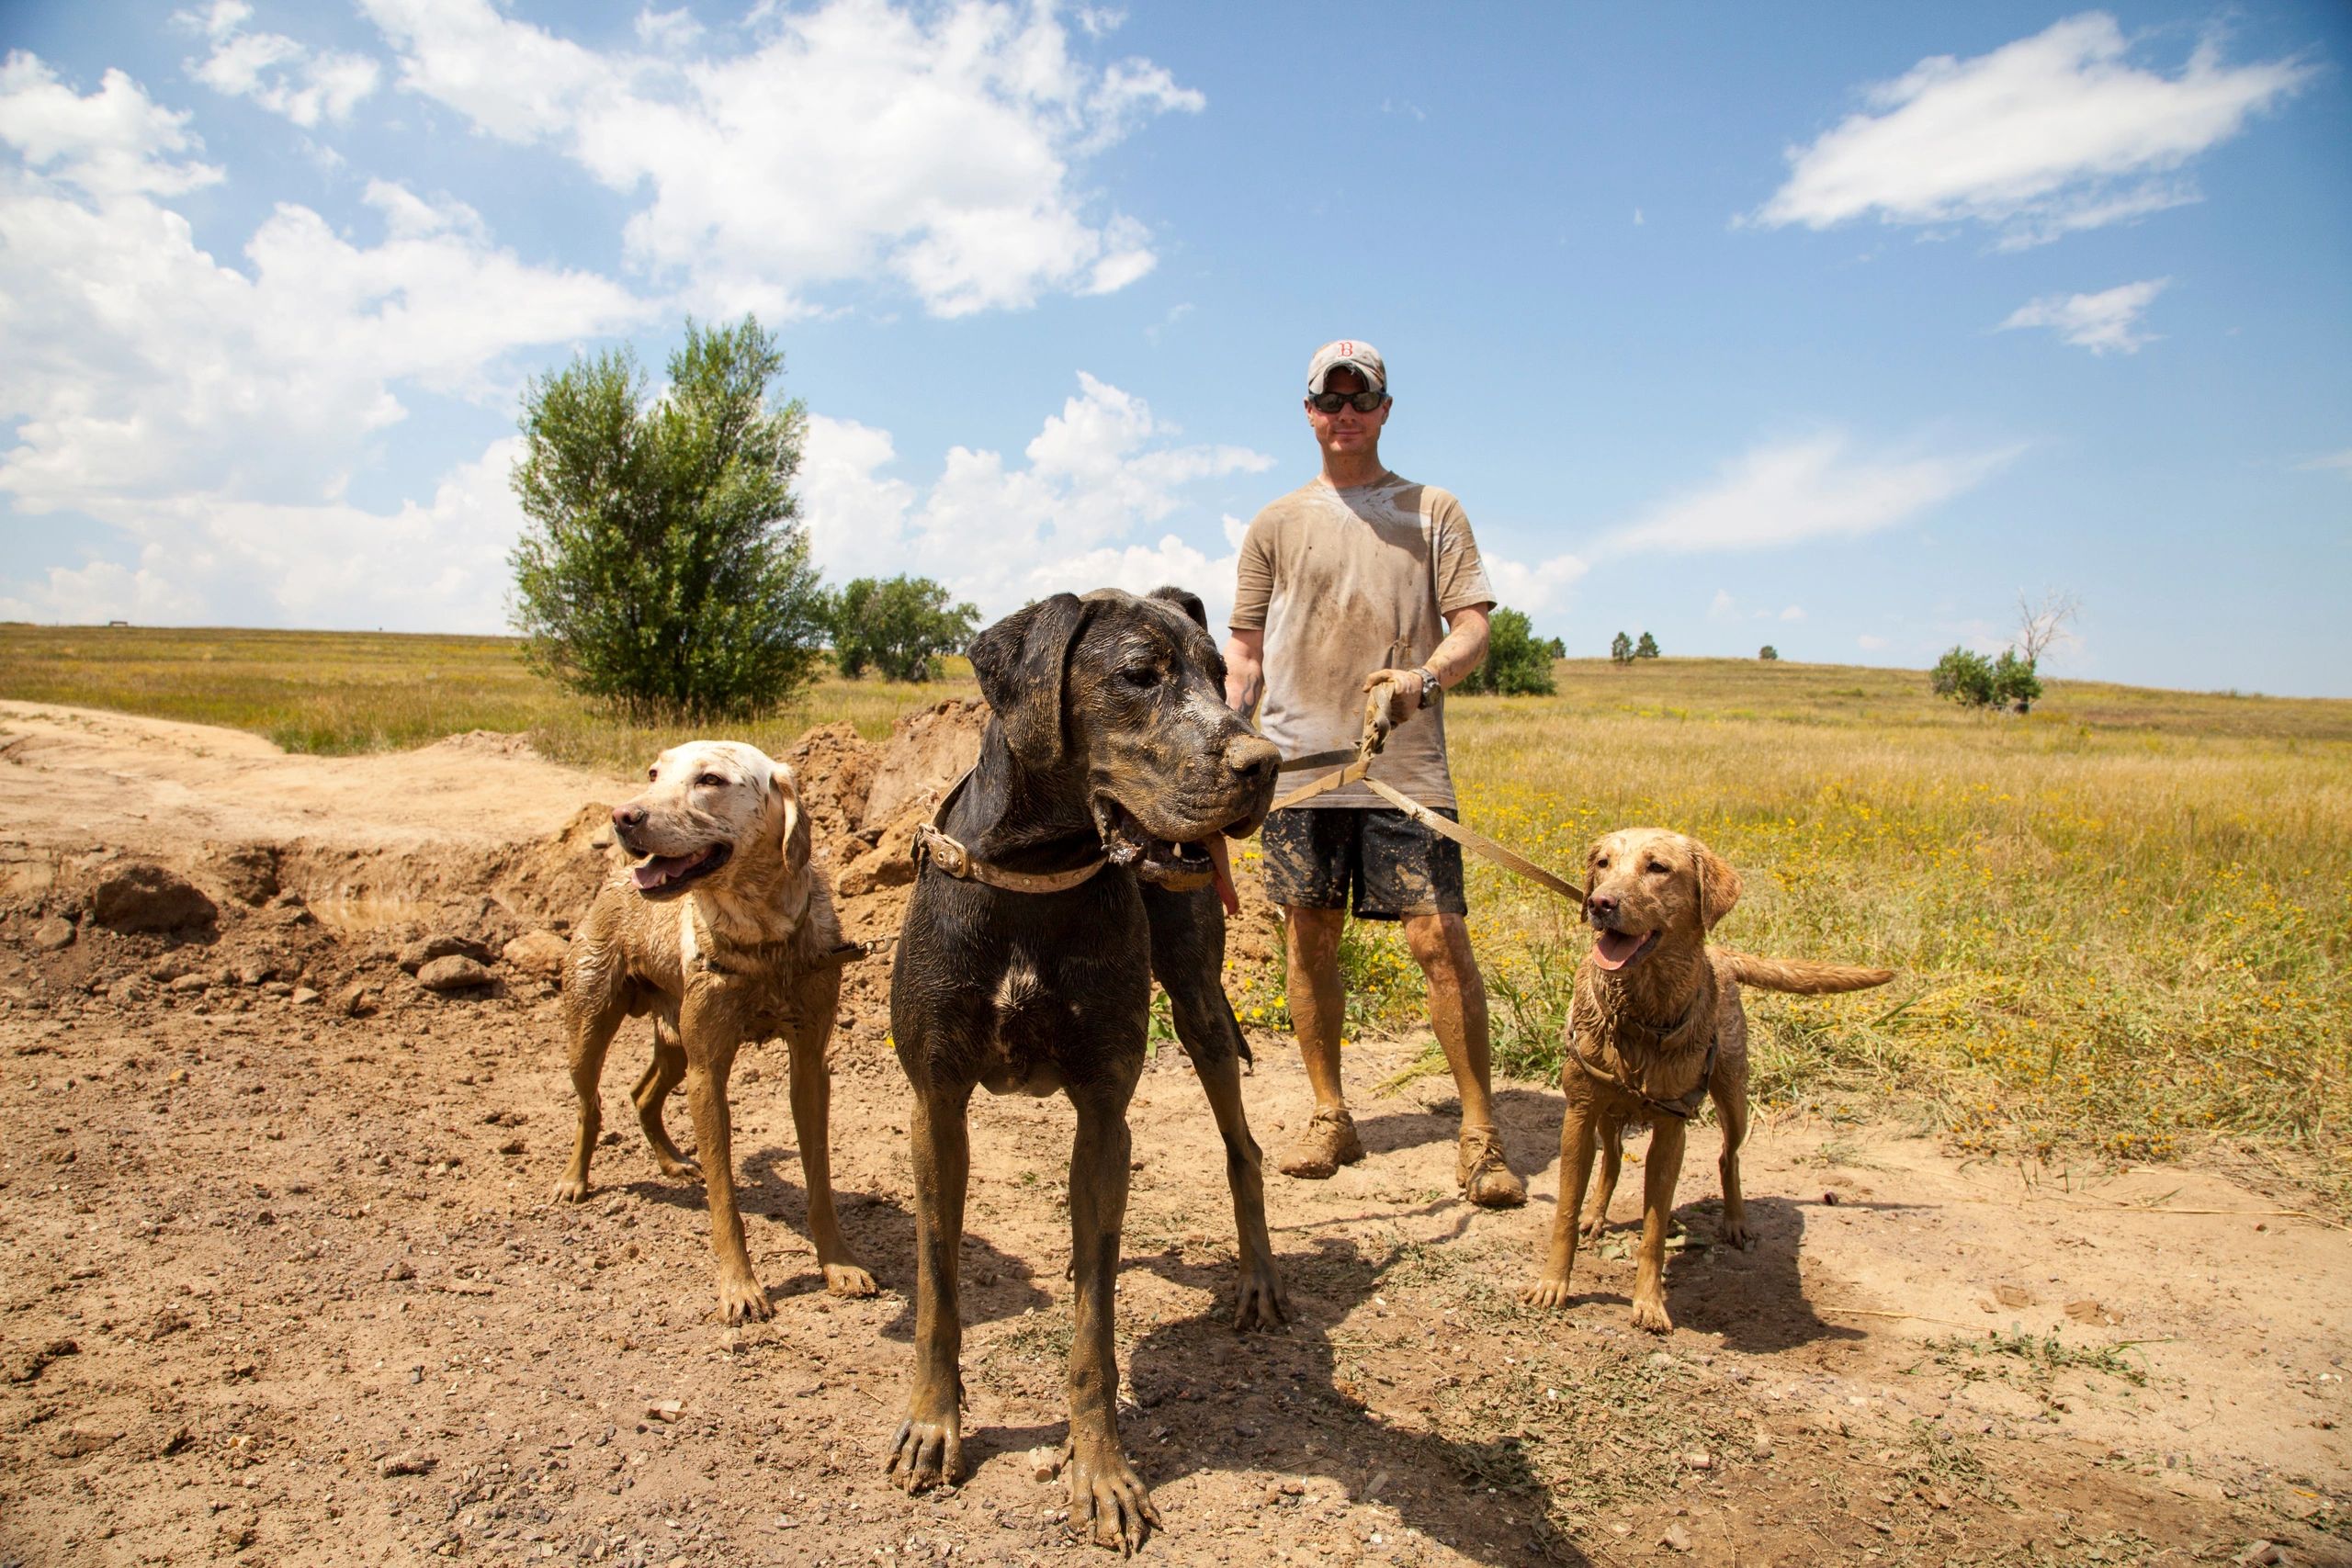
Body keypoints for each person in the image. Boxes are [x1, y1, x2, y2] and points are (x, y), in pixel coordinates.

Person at [1223, 340, 1525, 1208]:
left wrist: (1424, 679)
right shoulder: (1275, 523)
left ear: (1386, 410)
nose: (1345, 413)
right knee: (1309, 934)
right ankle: (1330, 1114)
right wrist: (1232, 731)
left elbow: (1472, 626)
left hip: (1407, 769)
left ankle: (1479, 1131)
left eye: (1363, 399)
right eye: (1331, 400)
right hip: (1300, 773)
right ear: (1309, 411)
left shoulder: (1433, 510)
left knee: (1439, 940)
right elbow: (1244, 649)